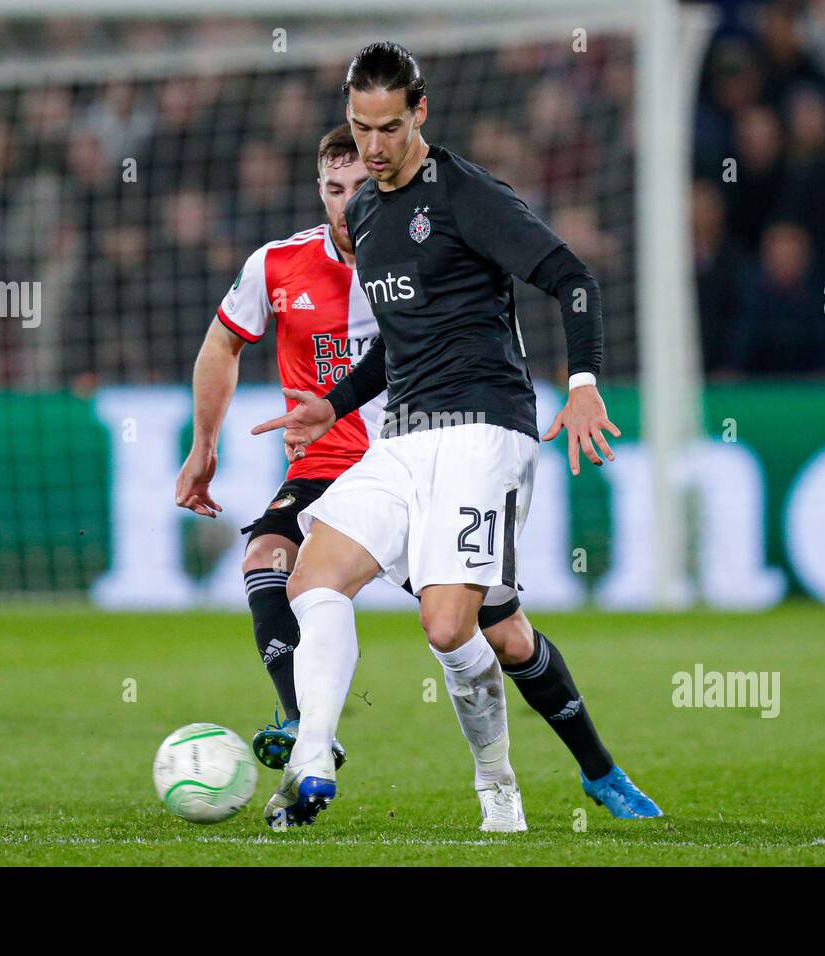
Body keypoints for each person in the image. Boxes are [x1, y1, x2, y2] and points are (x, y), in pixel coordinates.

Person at [249, 43, 662, 829]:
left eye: (389, 127)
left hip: (485, 433)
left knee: (450, 626)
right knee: (311, 580)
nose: (373, 146)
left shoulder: (468, 194)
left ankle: (498, 783)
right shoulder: (366, 212)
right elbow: (396, 343)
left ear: (421, 112)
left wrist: (583, 386)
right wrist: (330, 407)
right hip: (404, 440)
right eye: (360, 127)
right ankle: (311, 766)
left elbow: (572, 278)